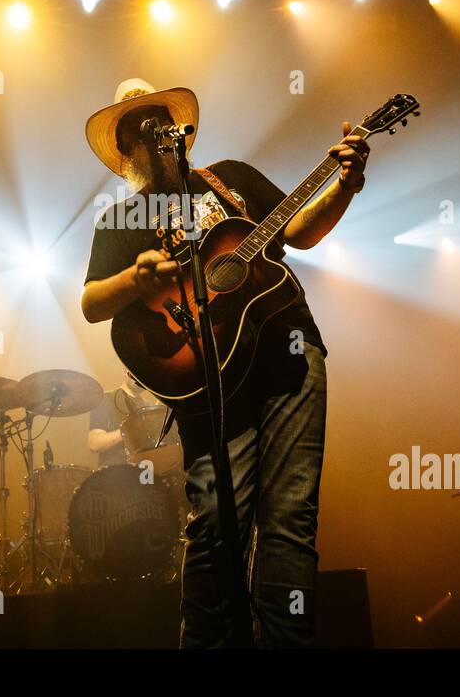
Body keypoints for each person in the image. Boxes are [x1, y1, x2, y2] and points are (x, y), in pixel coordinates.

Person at [80, 78, 369, 647]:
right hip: (205, 382)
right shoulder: (119, 220)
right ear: (125, 153)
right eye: (137, 128)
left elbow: (299, 231)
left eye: (159, 118)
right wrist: (135, 279)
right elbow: (91, 304)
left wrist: (346, 184)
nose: (151, 132)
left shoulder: (230, 179)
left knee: (290, 521)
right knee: (216, 525)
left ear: (177, 131)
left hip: (288, 352)